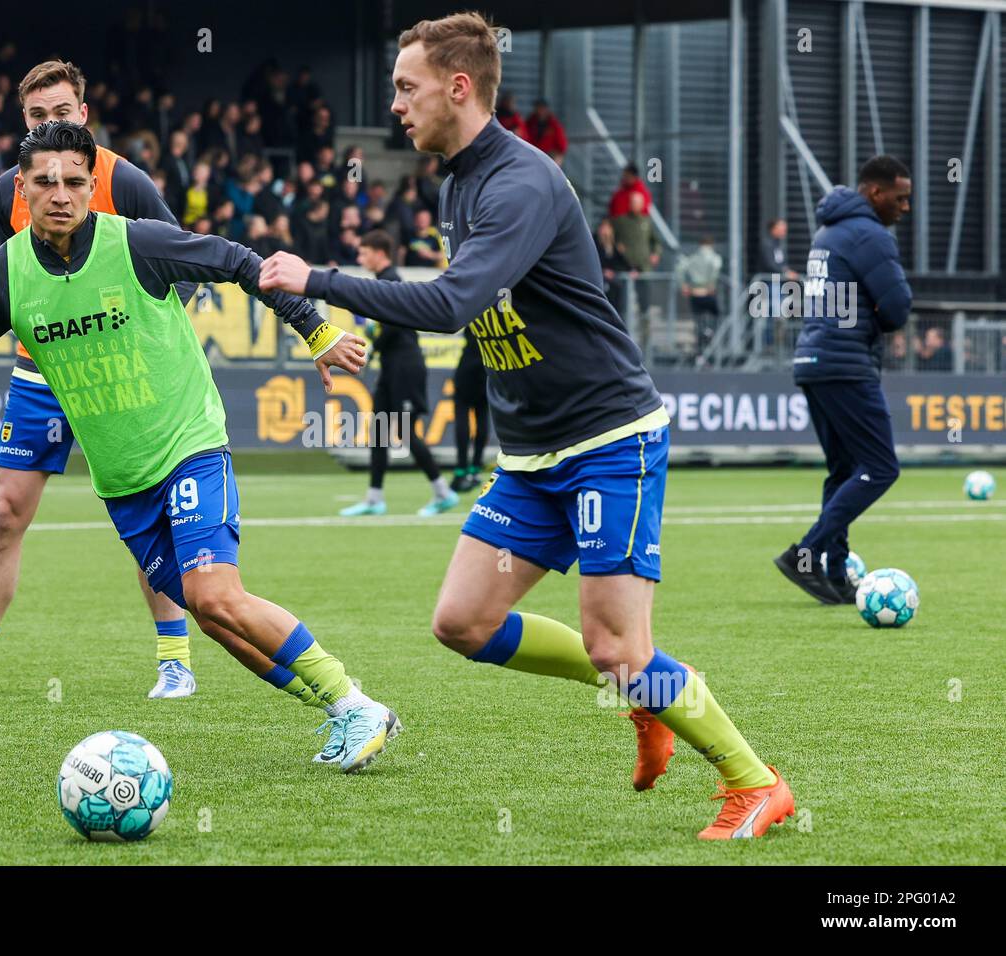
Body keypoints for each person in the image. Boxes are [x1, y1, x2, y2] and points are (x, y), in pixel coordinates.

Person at [261, 10, 794, 838]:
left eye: (407, 88)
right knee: (462, 623)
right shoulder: (454, 182)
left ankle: (753, 781)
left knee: (620, 645)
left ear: (459, 86)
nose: (396, 104)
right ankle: (639, 695)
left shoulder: (521, 182)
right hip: (535, 456)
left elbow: (448, 305)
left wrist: (317, 279)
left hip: (609, 440)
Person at [0, 121, 399, 773]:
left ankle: (356, 705)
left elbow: (240, 262)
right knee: (213, 617)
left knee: (214, 596)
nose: (62, 193)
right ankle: (338, 710)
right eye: (46, 182)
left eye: (76, 181)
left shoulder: (138, 244)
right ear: (23, 189)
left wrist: (313, 329)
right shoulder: (3, 274)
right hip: (122, 480)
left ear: (93, 184)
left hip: (188, 442)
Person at [0, 60, 192, 701]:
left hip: (119, 378)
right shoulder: (9, 188)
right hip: (39, 376)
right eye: (38, 116)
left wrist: (149, 348)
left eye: (62, 113)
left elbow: (181, 266)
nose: (51, 124)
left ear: (83, 115)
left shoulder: (125, 181)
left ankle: (175, 660)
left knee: (145, 518)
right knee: (6, 512)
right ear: (24, 122)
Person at [776, 155, 912, 604]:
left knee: (844, 469)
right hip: (846, 363)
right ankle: (808, 551)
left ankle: (835, 571)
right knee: (880, 466)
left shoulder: (827, 231)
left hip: (813, 361)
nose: (904, 207)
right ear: (875, 193)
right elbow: (896, 310)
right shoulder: (870, 235)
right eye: (900, 197)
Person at [340, 230, 459, 517]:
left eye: (363, 252)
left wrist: (370, 348)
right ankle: (374, 498)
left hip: (406, 365)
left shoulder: (391, 279)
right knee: (379, 429)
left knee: (405, 432)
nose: (360, 258)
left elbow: (393, 325)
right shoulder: (383, 280)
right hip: (392, 365)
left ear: (380, 253)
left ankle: (443, 492)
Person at [449, 324, 489, 493]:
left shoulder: (475, 301)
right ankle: (475, 469)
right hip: (487, 365)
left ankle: (461, 469)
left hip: (468, 364)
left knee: (462, 416)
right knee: (483, 415)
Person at [676, 236, 722, 353]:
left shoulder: (692, 258)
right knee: (716, 315)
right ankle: (709, 332)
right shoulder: (714, 257)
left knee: (698, 319)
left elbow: (680, 268)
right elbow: (715, 268)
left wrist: (683, 285)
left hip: (695, 293)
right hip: (708, 292)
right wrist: (712, 283)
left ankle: (701, 344)